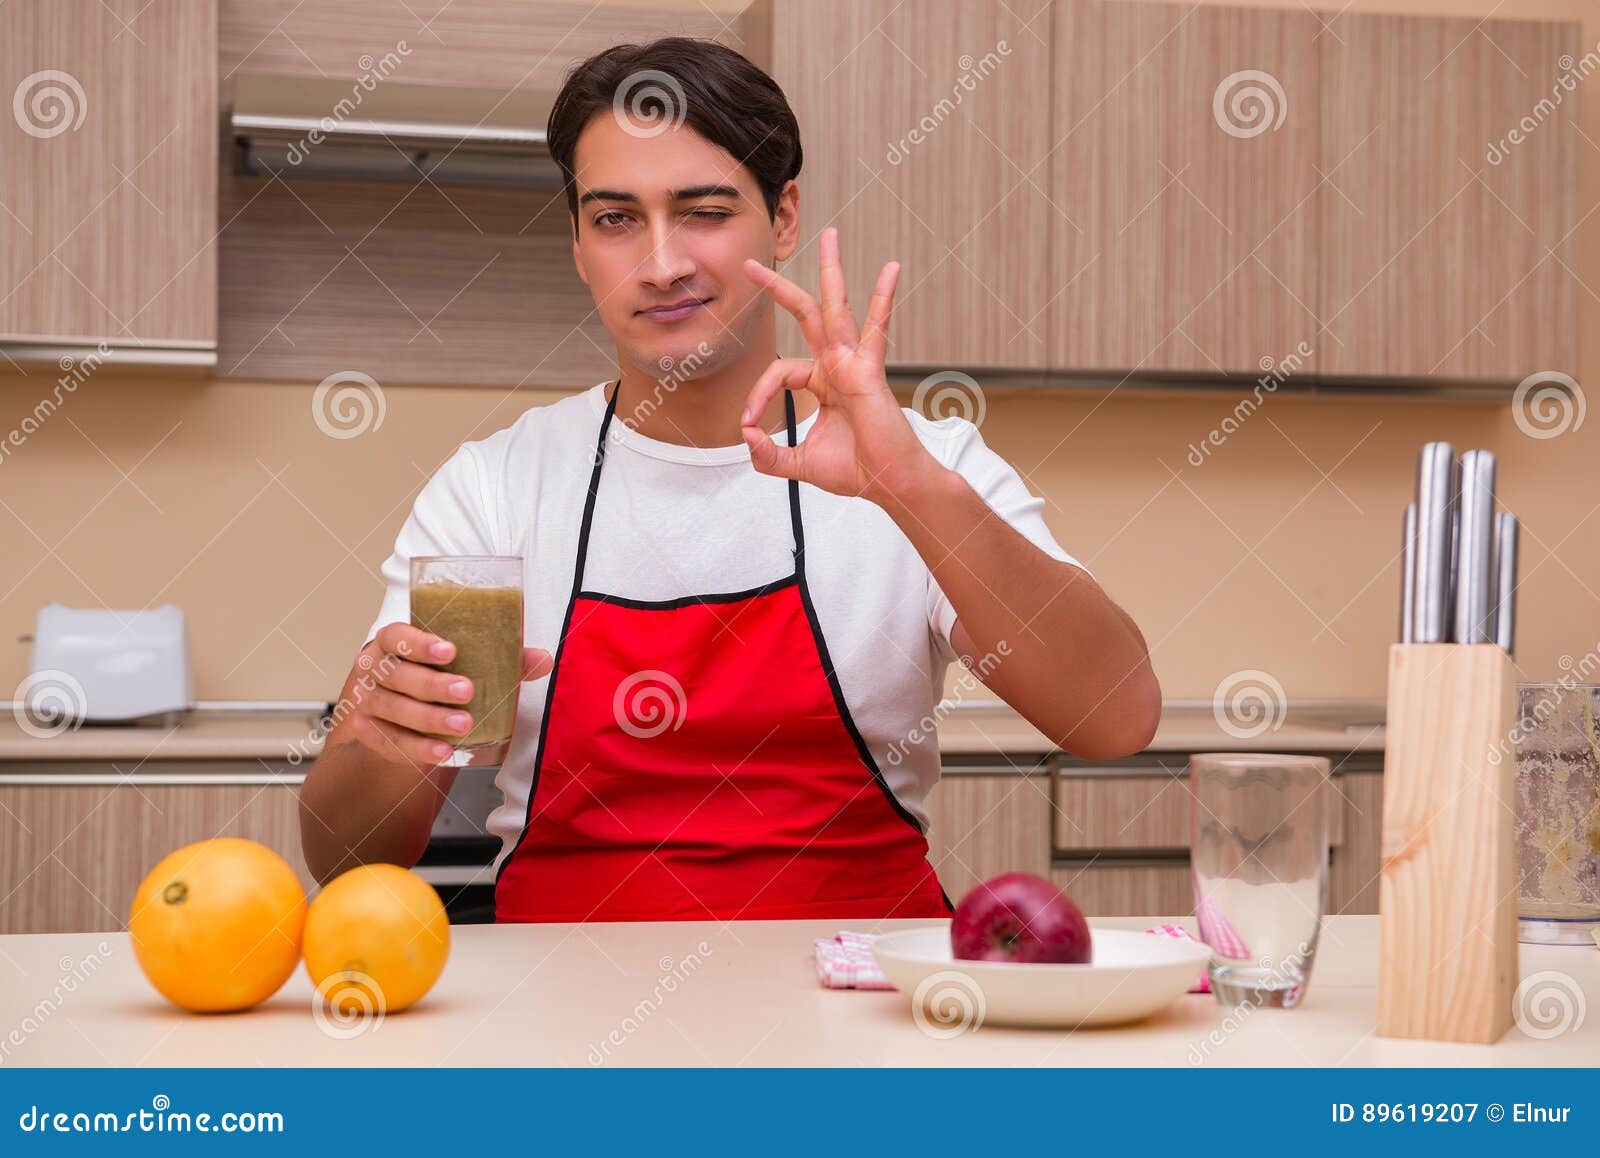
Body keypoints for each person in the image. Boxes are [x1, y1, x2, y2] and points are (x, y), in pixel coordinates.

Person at [300, 36, 1160, 922]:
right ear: (578, 241)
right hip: (559, 1018)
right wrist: (380, 732)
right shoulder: (495, 489)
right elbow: (350, 859)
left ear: (783, 218)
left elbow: (1114, 720)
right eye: (616, 218)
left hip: (858, 1013)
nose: (662, 262)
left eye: (703, 210)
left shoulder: (918, 464)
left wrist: (910, 487)